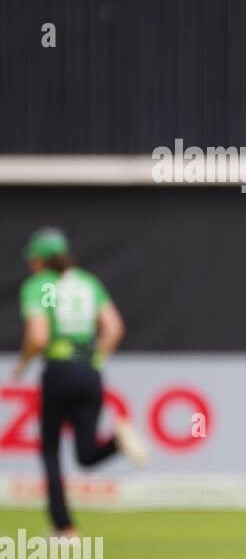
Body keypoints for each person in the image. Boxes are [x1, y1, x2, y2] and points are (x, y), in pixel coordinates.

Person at [11, 227, 149, 538]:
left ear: (39, 260)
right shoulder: (88, 283)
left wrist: (22, 364)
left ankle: (64, 528)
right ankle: (116, 441)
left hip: (59, 371)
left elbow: (39, 336)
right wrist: (94, 360)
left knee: (50, 450)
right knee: (85, 453)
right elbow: (114, 327)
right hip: (90, 373)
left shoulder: (40, 285)